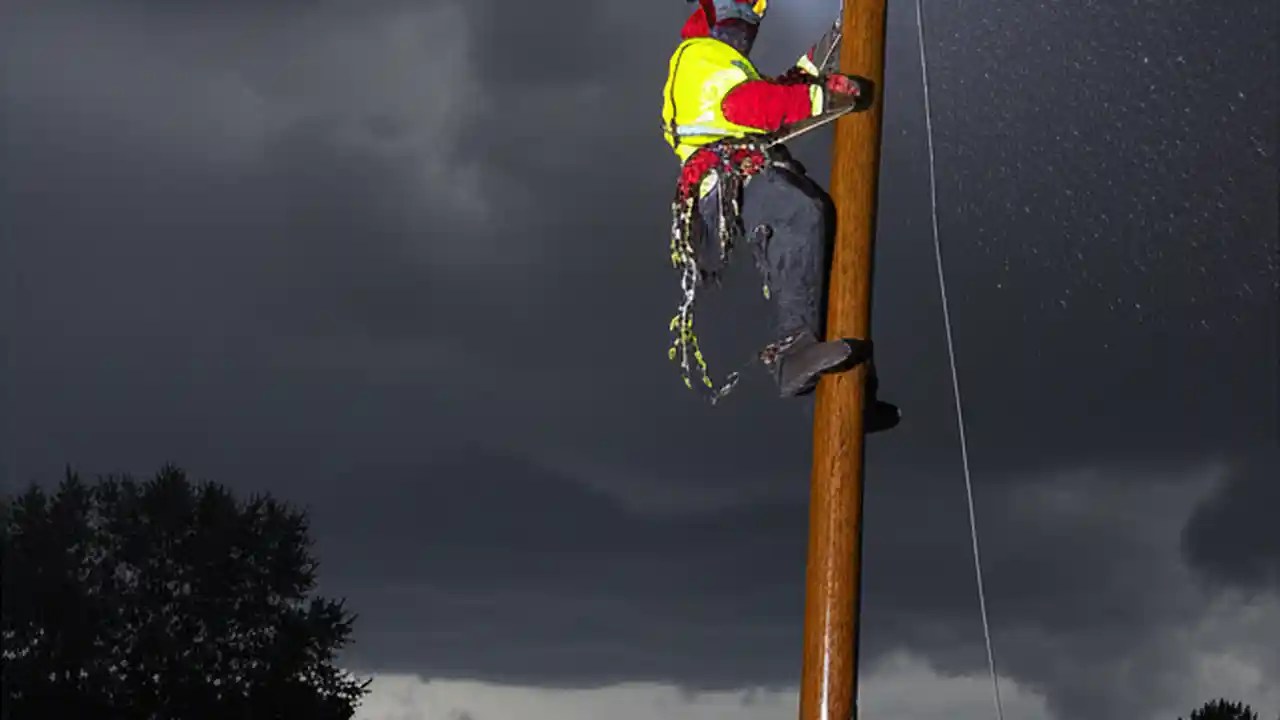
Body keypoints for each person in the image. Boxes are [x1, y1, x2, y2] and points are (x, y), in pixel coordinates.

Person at [661, 0, 899, 431]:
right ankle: (793, 352)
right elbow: (749, 107)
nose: (752, 30)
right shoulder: (700, 56)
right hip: (730, 179)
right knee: (797, 215)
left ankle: (856, 390)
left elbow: (780, 92)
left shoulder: (721, 59)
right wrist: (820, 97)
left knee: (825, 242)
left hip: (742, 170)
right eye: (746, 19)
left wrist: (841, 38)